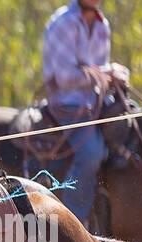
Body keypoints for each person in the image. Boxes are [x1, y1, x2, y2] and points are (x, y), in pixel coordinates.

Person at [42, 0, 129, 226]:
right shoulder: (63, 23)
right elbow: (65, 77)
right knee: (90, 153)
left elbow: (98, 72)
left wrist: (113, 79)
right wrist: (108, 73)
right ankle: (72, 225)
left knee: (132, 130)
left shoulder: (102, 26)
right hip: (67, 103)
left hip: (96, 103)